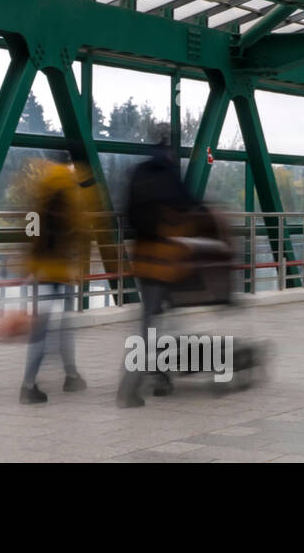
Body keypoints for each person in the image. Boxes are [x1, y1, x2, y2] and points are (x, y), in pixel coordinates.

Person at [117, 124, 201, 408]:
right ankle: (130, 386)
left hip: (142, 258)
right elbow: (190, 208)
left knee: (156, 320)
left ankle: (162, 376)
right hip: (166, 261)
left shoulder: (138, 173)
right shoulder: (170, 176)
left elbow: (126, 215)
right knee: (154, 324)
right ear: (169, 151)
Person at [19, 157, 91, 405]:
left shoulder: (42, 187)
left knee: (40, 329)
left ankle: (30, 383)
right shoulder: (73, 188)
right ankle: (70, 376)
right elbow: (81, 229)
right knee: (65, 325)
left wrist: (30, 264)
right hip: (64, 269)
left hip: (42, 271)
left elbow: (31, 228)